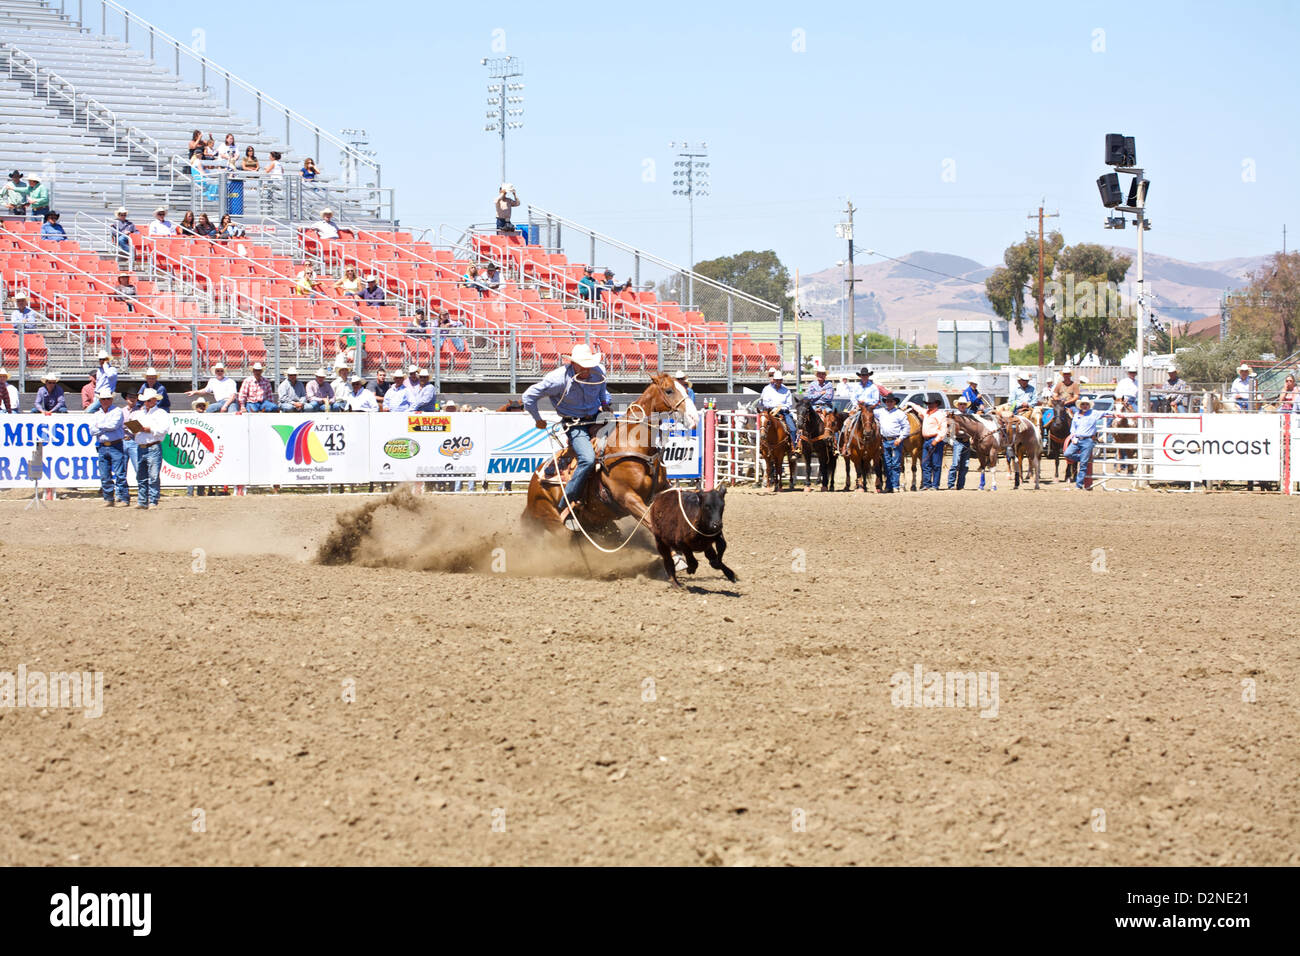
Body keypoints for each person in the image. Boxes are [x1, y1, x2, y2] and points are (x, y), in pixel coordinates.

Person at [522, 343, 613, 529]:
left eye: (589, 364)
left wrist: (605, 403)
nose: (587, 369)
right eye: (583, 365)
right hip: (575, 424)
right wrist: (537, 419)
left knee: (625, 445)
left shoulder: (599, 371)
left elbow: (603, 390)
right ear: (573, 364)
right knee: (587, 459)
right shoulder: (557, 379)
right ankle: (567, 504)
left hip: (598, 418)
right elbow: (528, 396)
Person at [130, 386, 172, 510]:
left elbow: (164, 429)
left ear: (154, 400)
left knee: (153, 475)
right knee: (141, 475)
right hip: (141, 446)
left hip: (153, 446)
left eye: (148, 400)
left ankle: (153, 500)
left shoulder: (161, 413)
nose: (146, 403)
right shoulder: (138, 413)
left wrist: (149, 429)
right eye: (145, 401)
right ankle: (143, 500)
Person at [89, 388, 129, 506]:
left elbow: (114, 425)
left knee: (119, 473)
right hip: (103, 446)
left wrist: (99, 427)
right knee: (104, 474)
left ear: (111, 400)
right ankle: (109, 498)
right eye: (103, 399)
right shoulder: (97, 414)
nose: (105, 401)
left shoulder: (117, 411)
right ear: (100, 400)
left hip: (115, 444)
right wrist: (104, 427)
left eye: (107, 399)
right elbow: (92, 430)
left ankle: (123, 498)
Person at [1062, 395, 1108, 490]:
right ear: (1080, 405)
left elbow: (1106, 413)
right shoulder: (1076, 415)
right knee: (1067, 454)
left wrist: (1116, 413)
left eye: (1086, 404)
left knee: (1083, 465)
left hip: (1088, 440)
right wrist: (1073, 436)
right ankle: (1084, 458)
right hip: (1077, 439)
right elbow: (1073, 427)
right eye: (1083, 404)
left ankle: (1078, 485)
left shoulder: (1094, 413)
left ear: (1089, 405)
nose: (1085, 406)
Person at [876, 392, 909, 493]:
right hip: (885, 441)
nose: (889, 403)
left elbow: (906, 427)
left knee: (895, 464)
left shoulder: (899, 413)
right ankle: (889, 486)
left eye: (891, 401)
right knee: (887, 464)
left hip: (895, 440)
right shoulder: (881, 412)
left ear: (894, 402)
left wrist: (900, 438)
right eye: (887, 401)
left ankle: (895, 485)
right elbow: (869, 411)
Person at [760, 370, 799, 448]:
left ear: (782, 380)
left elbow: (789, 404)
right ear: (774, 380)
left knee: (793, 429)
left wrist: (782, 407)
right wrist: (775, 406)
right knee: (762, 426)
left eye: (780, 380)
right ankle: (761, 446)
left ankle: (793, 448)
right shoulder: (767, 389)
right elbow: (765, 402)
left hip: (784, 412)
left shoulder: (786, 390)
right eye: (777, 380)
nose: (778, 381)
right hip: (771, 412)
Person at [920, 396, 946, 490]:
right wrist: (910, 404)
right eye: (928, 404)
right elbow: (918, 408)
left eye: (931, 404)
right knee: (925, 463)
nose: (929, 405)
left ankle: (935, 485)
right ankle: (927, 484)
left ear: (936, 404)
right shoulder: (926, 413)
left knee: (936, 464)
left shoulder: (940, 415)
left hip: (934, 440)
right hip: (926, 440)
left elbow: (943, 429)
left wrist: (937, 439)